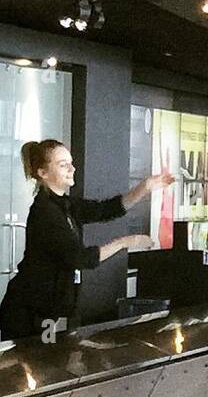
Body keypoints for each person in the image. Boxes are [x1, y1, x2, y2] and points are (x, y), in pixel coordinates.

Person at [0, 138, 168, 341]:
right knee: (38, 364)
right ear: (42, 173)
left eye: (70, 163)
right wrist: (126, 242)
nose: (72, 169)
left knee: (52, 361)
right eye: (63, 165)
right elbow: (81, 258)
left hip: (47, 310)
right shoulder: (45, 212)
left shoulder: (66, 204)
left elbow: (106, 209)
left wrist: (144, 188)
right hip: (29, 311)